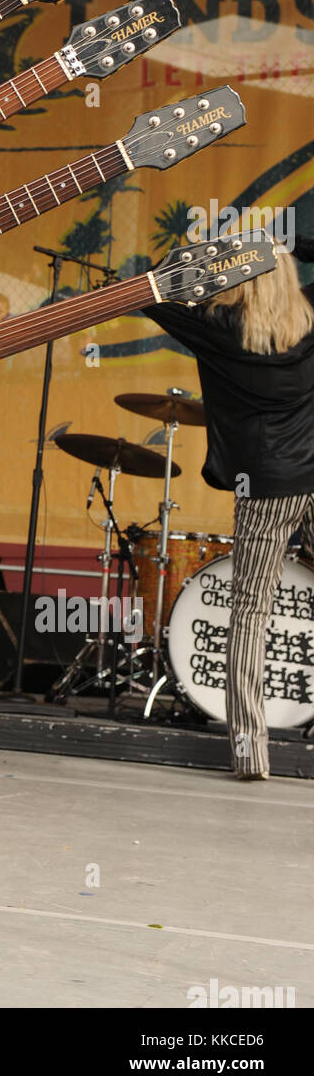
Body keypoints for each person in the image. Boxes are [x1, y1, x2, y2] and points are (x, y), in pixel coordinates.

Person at [143, 238, 314, 781]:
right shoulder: (311, 320)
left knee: (250, 614)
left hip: (266, 484)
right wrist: (292, 247)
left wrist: (205, 260)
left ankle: (249, 753)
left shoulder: (222, 331)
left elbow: (153, 293)